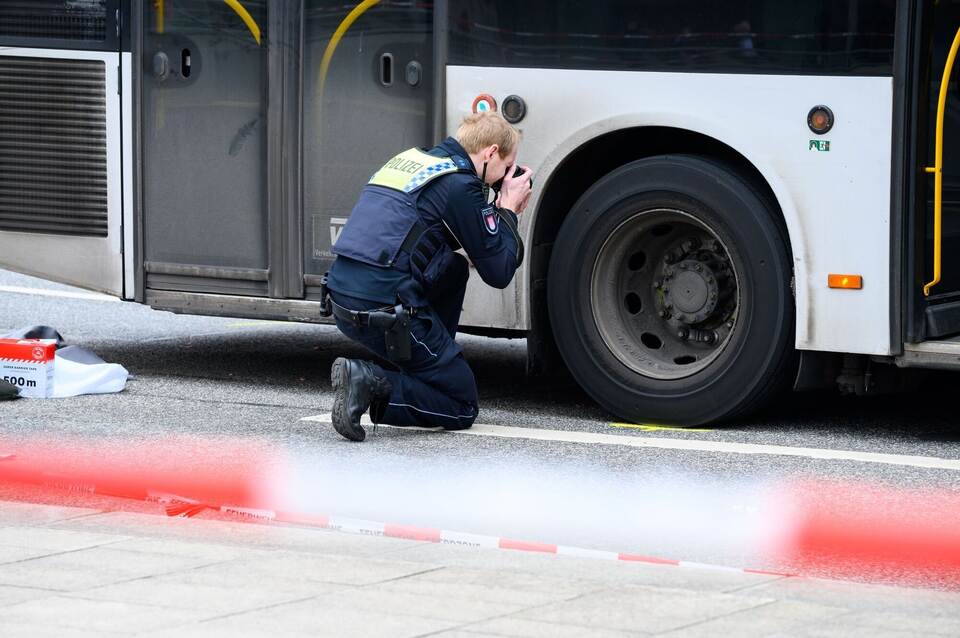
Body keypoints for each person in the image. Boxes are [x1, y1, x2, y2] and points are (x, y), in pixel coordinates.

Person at [324, 112, 533, 442]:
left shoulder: (416, 162)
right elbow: (499, 271)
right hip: (383, 309)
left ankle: (430, 368)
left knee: (453, 268)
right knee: (461, 404)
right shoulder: (461, 185)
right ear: (491, 152)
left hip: (341, 298)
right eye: (506, 168)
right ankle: (369, 380)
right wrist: (507, 209)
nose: (504, 177)